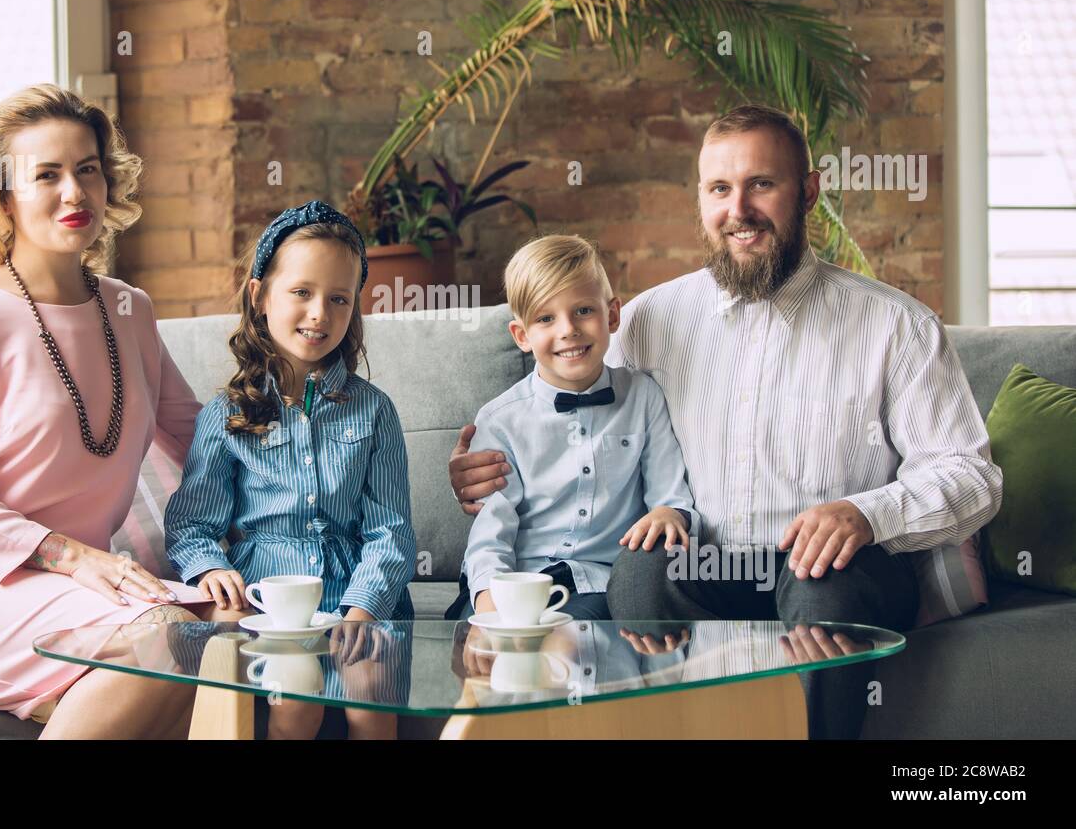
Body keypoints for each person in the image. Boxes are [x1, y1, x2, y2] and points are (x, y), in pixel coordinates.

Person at [447, 105, 1003, 738]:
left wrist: (867, 513)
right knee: (642, 571)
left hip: (835, 570)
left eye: (761, 184)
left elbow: (972, 477)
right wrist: (486, 466)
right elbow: (571, 403)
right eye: (719, 189)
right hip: (708, 565)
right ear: (702, 201)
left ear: (809, 190)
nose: (738, 209)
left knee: (824, 589)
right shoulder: (651, 320)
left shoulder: (895, 325)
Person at [0, 84, 216, 738]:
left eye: (87, 170)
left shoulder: (130, 310)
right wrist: (75, 557)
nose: (74, 193)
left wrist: (331, 434)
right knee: (173, 640)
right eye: (47, 175)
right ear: (4, 195)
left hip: (87, 592)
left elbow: (203, 439)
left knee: (228, 635)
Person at [163, 200, 416, 740]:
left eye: (338, 298)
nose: (320, 313)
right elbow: (191, 524)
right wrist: (209, 568)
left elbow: (390, 530)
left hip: (358, 596)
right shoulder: (226, 415)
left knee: (370, 693)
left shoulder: (375, 410)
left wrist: (364, 610)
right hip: (270, 601)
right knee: (294, 699)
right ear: (260, 297)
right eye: (301, 292)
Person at [448, 234, 698, 624]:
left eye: (583, 310)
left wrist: (669, 513)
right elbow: (491, 527)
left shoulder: (644, 396)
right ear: (522, 336)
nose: (568, 330)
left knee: (575, 642)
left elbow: (670, 493)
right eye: (546, 319)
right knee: (474, 652)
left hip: (597, 583)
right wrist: (487, 598)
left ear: (612, 315)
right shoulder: (499, 420)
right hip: (514, 581)